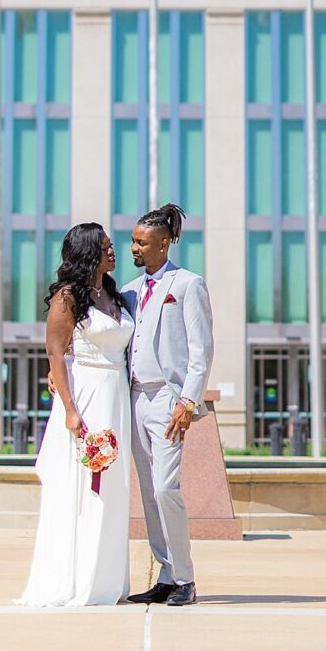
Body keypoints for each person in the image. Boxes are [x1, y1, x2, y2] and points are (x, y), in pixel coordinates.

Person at [16, 222, 132, 609]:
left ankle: (107, 579)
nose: (114, 251)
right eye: (106, 246)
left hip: (118, 395)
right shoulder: (68, 296)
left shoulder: (115, 294)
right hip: (87, 395)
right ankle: (79, 579)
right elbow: (56, 353)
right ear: (88, 252)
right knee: (86, 487)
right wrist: (69, 409)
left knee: (113, 490)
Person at [122, 202, 215, 608]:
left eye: (141, 243)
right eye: (132, 243)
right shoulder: (128, 290)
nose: (134, 249)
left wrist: (188, 400)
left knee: (165, 488)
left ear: (164, 244)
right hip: (135, 397)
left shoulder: (187, 284)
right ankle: (165, 573)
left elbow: (202, 349)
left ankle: (185, 577)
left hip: (167, 397)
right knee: (147, 491)